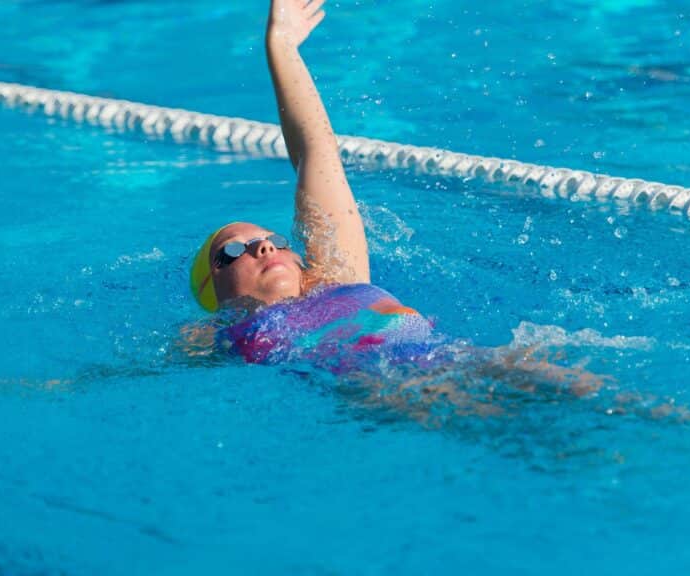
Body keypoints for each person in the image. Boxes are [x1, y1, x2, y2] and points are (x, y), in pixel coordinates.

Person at [187, 0, 603, 396]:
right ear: (214, 290)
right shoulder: (220, 342)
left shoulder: (338, 278)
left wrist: (281, 45)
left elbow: (317, 151)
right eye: (234, 250)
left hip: (463, 367)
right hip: (389, 403)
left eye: (276, 240)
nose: (264, 245)